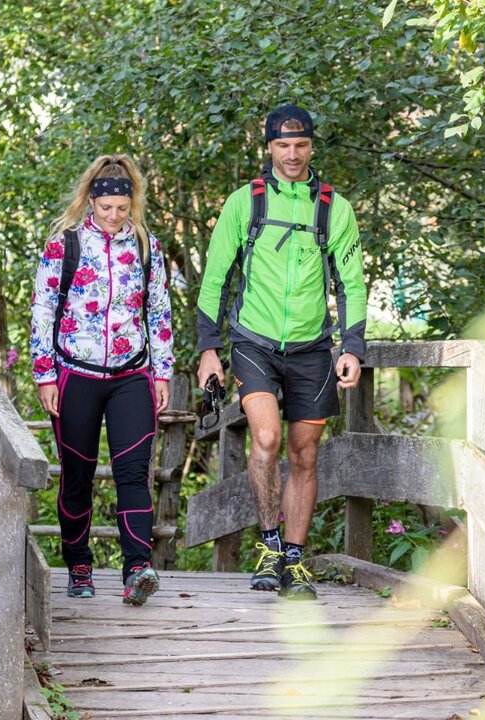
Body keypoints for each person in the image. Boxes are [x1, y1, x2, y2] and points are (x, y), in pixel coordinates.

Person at [195, 104, 367, 600]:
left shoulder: (334, 207)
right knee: (266, 440)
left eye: (301, 145)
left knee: (305, 453)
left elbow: (350, 283)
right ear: (268, 147)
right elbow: (214, 281)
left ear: (313, 146)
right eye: (282, 146)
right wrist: (210, 349)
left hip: (313, 347)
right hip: (254, 342)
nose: (292, 155)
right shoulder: (243, 204)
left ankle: (294, 559)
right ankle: (269, 546)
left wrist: (351, 345)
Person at [30, 154, 175, 606]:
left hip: (132, 375)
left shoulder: (148, 249)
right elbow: (42, 310)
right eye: (106, 207)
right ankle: (78, 564)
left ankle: (137, 569)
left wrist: (162, 371)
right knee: (78, 476)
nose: (114, 216)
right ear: (91, 202)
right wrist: (44, 374)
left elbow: (159, 311)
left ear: (132, 204)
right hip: (75, 374)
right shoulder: (64, 246)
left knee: (134, 473)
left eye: (122, 208)